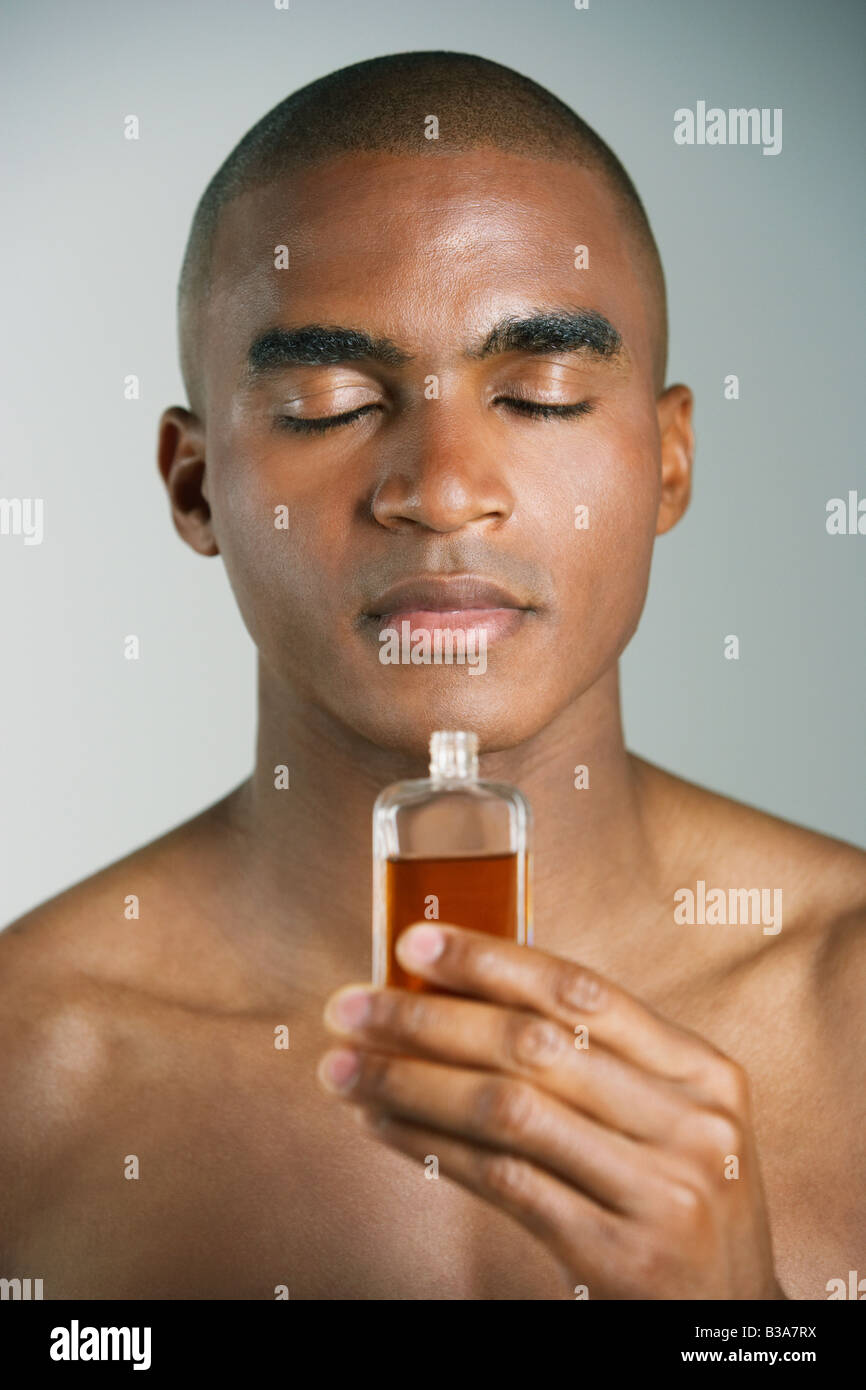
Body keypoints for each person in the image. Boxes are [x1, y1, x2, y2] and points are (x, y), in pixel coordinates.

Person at [1, 50, 863, 1301]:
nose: (445, 487)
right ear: (195, 487)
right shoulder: (28, 1067)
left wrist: (737, 1333)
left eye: (543, 392)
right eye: (328, 400)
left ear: (668, 463)